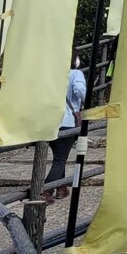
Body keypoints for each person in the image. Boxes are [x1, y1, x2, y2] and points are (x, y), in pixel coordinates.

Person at [45, 54, 86, 201]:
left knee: (58, 156)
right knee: (60, 160)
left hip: (50, 121)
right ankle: (45, 190)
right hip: (67, 122)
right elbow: (79, 91)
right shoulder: (76, 73)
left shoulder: (51, 74)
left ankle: (61, 188)